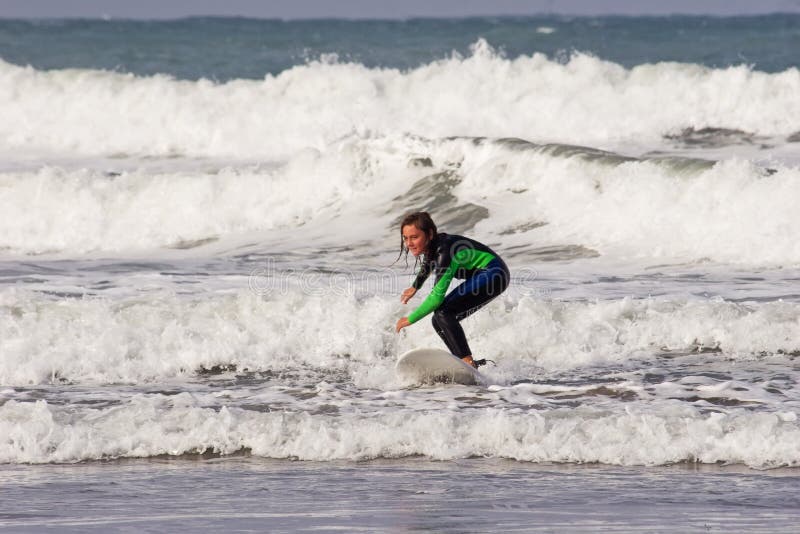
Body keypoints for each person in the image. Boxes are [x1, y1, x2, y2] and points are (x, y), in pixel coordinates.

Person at [394, 211, 510, 368]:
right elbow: (428, 264)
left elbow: (436, 298)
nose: (409, 243)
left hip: (493, 273)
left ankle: (467, 361)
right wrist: (415, 286)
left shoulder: (446, 251)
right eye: (405, 238)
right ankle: (464, 363)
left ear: (429, 234)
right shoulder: (435, 247)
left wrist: (409, 319)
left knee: (443, 312)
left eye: (414, 237)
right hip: (488, 275)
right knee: (438, 320)